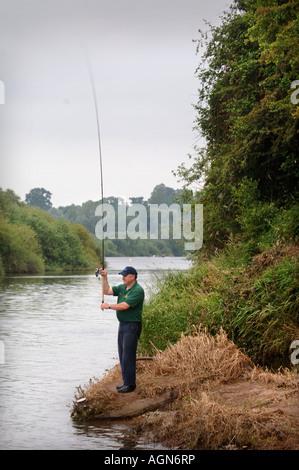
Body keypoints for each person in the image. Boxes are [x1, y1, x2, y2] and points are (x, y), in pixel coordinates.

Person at [100, 266, 144, 393]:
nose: (123, 277)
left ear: (132, 277)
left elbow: (125, 306)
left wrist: (108, 306)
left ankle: (130, 385)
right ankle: (126, 382)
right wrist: (105, 277)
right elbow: (106, 290)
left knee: (128, 355)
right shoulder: (122, 287)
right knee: (122, 355)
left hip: (132, 325)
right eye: (122, 275)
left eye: (125, 275)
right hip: (122, 325)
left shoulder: (137, 290)